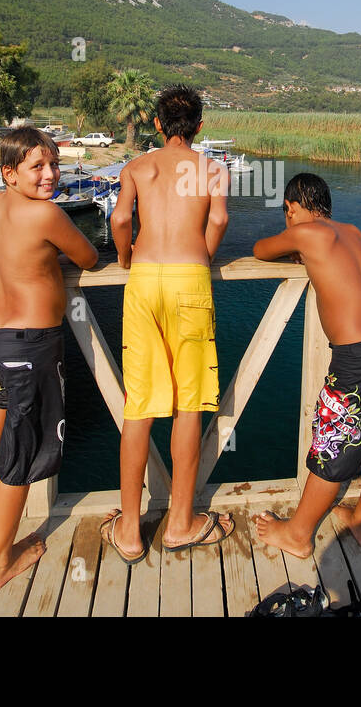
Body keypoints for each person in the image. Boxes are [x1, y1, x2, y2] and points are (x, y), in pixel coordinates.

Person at [0, 127, 99, 591]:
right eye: (37, 166)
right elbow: (90, 256)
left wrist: (20, 260)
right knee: (24, 449)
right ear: (9, 172)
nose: (50, 174)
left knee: (2, 402)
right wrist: (47, 259)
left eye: (54, 164)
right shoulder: (47, 214)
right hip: (30, 343)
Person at [251, 173, 361, 557]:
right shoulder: (352, 230)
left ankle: (298, 534)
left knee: (331, 443)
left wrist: (294, 241)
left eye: (287, 213)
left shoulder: (306, 233)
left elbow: (259, 249)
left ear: (292, 208)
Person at [104, 84, 231, 562]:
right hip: (190, 280)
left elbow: (120, 220)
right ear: (200, 126)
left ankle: (131, 531)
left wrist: (124, 258)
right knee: (188, 401)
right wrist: (202, 255)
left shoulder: (137, 166)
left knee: (139, 404)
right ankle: (180, 522)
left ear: (157, 124)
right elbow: (217, 221)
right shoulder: (213, 169)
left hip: (143, 279)